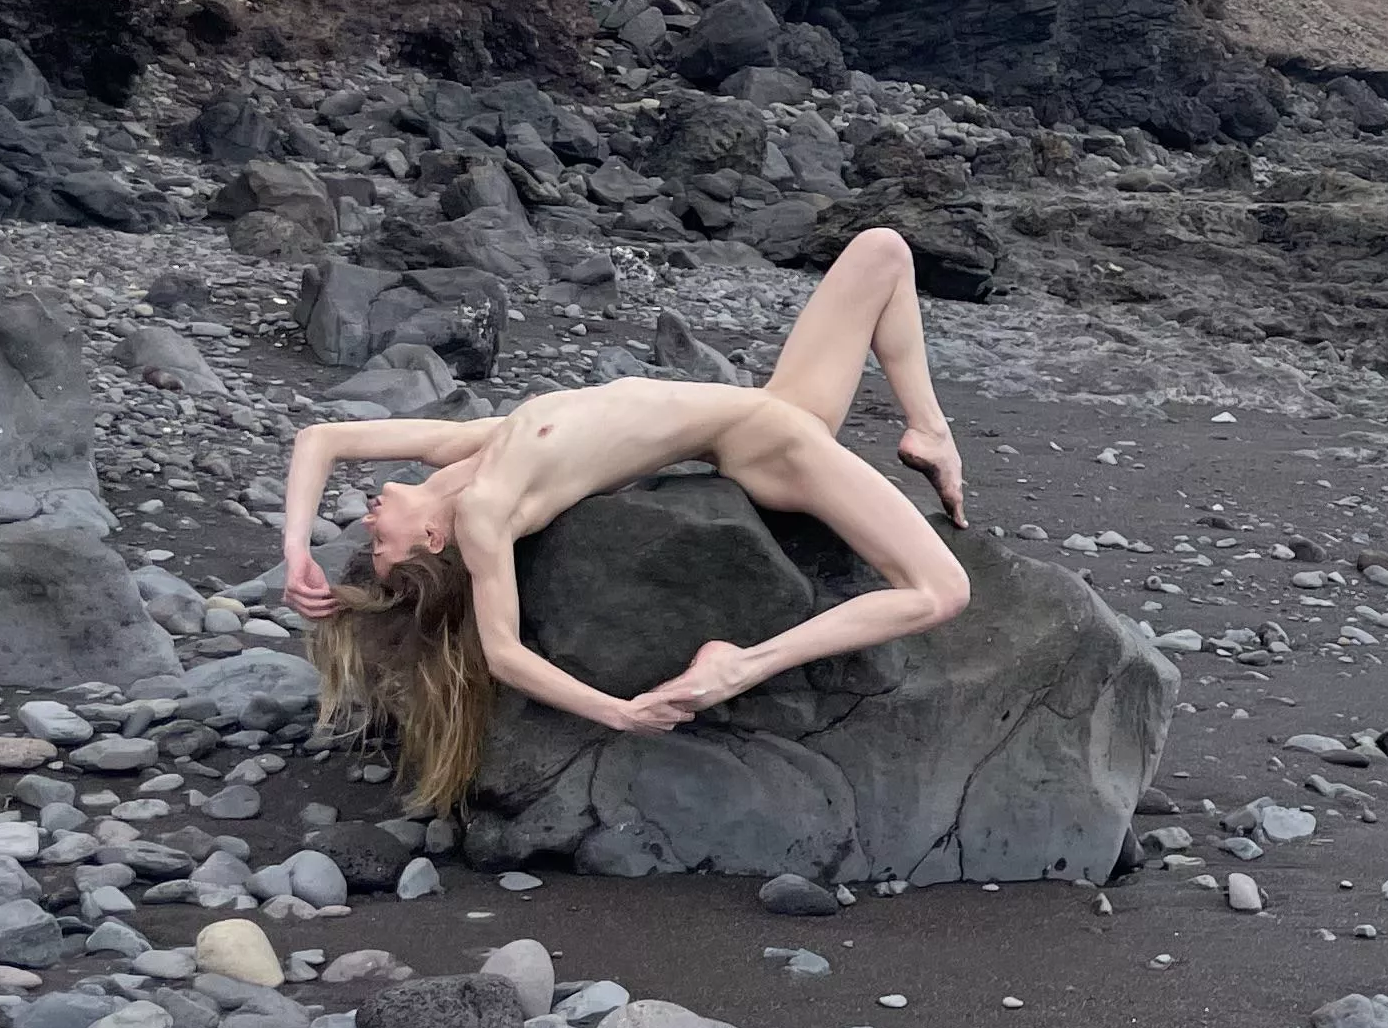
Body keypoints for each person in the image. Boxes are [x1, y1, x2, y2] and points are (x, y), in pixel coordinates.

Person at [283, 226, 971, 813]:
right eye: (380, 545)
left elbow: (322, 439)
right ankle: (741, 666)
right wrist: (619, 711)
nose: (367, 520)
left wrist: (296, 557)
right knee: (942, 591)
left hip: (772, 412)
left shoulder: (471, 453)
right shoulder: (488, 512)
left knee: (883, 251)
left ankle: (931, 431)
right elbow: (504, 654)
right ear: (434, 539)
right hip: (774, 447)